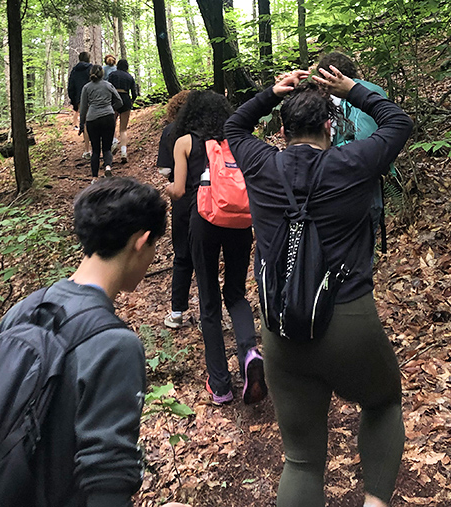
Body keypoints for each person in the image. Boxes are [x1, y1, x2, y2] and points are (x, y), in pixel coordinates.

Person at [225, 67, 413, 507]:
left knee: (303, 460)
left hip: (281, 327)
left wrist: (272, 92)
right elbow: (398, 122)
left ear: (281, 130)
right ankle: (375, 501)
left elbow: (234, 124)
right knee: (383, 404)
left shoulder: (260, 163)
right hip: (349, 318)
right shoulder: (353, 161)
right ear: (331, 126)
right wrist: (352, 89)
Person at [0, 178, 169, 507]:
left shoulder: (24, 310)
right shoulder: (114, 344)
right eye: (155, 246)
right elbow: (107, 484)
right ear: (141, 242)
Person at [165, 90, 266, 406]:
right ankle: (249, 351)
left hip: (204, 221)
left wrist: (166, 187)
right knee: (235, 293)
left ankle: (220, 385)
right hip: (240, 221)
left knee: (209, 299)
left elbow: (179, 191)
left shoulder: (184, 142)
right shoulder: (240, 139)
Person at [316, 51, 392, 247]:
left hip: (352, 188)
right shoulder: (370, 91)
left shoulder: (355, 95)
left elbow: (364, 142)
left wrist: (324, 158)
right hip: (362, 186)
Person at [156, 90, 193, 329]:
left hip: (182, 200)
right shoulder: (209, 131)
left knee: (182, 255)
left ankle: (177, 311)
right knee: (206, 257)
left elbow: (163, 171)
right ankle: (212, 314)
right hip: (212, 200)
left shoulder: (170, 132)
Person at [79, 65, 123, 182]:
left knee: (96, 150)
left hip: (92, 119)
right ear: (102, 74)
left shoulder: (86, 87)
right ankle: (108, 167)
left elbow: (83, 108)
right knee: (107, 148)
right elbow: (119, 101)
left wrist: (81, 124)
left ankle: (94, 178)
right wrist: (111, 108)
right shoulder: (108, 85)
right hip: (108, 118)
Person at [109, 58, 138, 164]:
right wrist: (131, 101)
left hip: (114, 101)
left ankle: (114, 142)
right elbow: (134, 93)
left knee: (112, 125)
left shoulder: (112, 75)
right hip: (126, 101)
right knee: (123, 129)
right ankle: (124, 152)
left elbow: (108, 88)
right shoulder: (129, 77)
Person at [68, 51, 92, 159]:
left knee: (86, 124)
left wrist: (74, 101)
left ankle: (87, 150)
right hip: (93, 97)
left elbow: (71, 87)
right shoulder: (92, 68)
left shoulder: (74, 71)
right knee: (94, 121)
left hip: (80, 99)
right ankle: (97, 149)